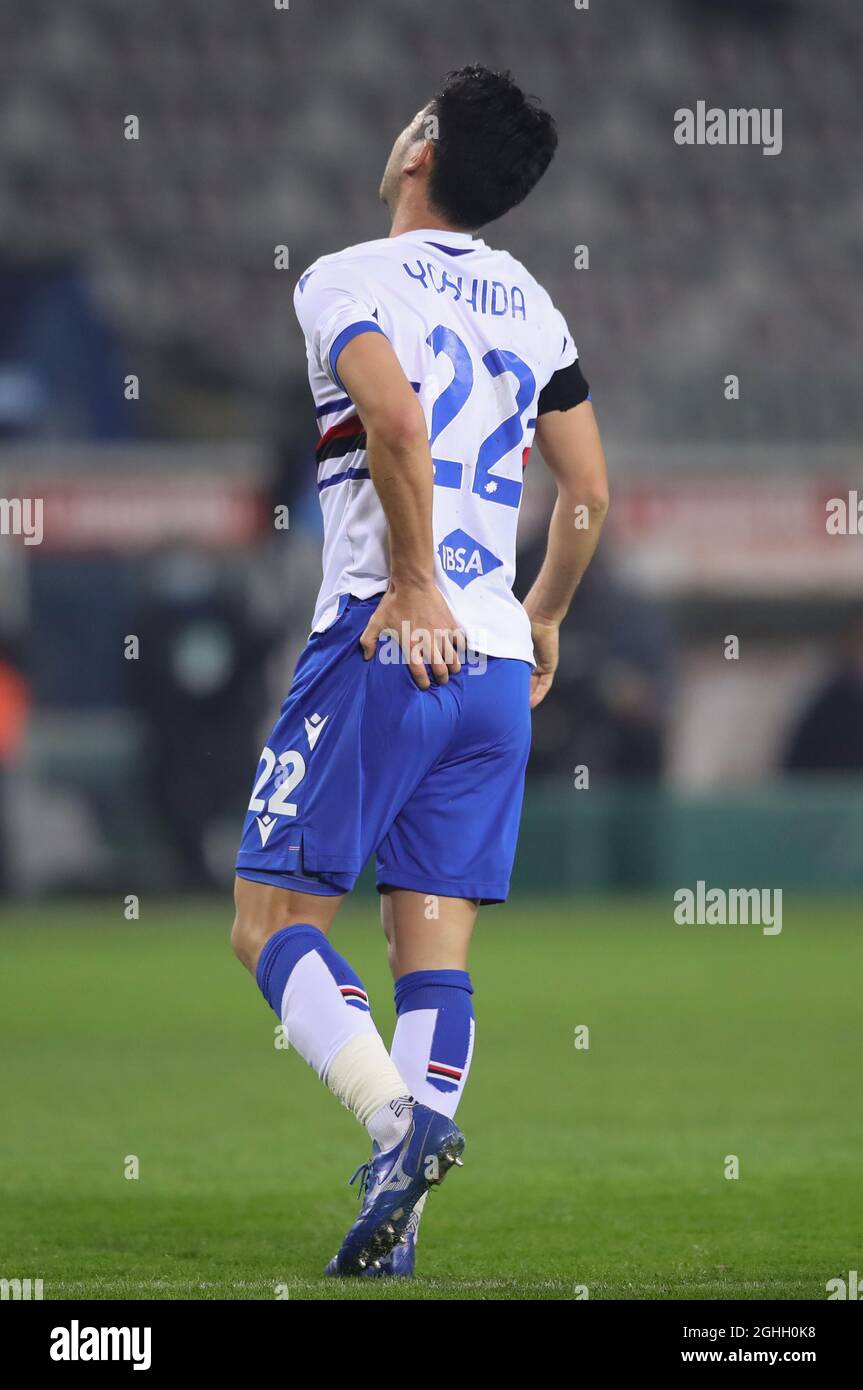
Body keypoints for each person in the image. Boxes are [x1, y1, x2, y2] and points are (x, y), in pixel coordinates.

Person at [230, 65, 609, 1277]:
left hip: (384, 640)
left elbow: (391, 421)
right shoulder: (533, 305)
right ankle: (397, 1239)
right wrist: (540, 614)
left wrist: (410, 583)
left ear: (418, 147)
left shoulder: (344, 277)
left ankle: (405, 1128)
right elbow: (591, 494)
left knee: (266, 923)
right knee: (429, 953)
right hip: (495, 669)